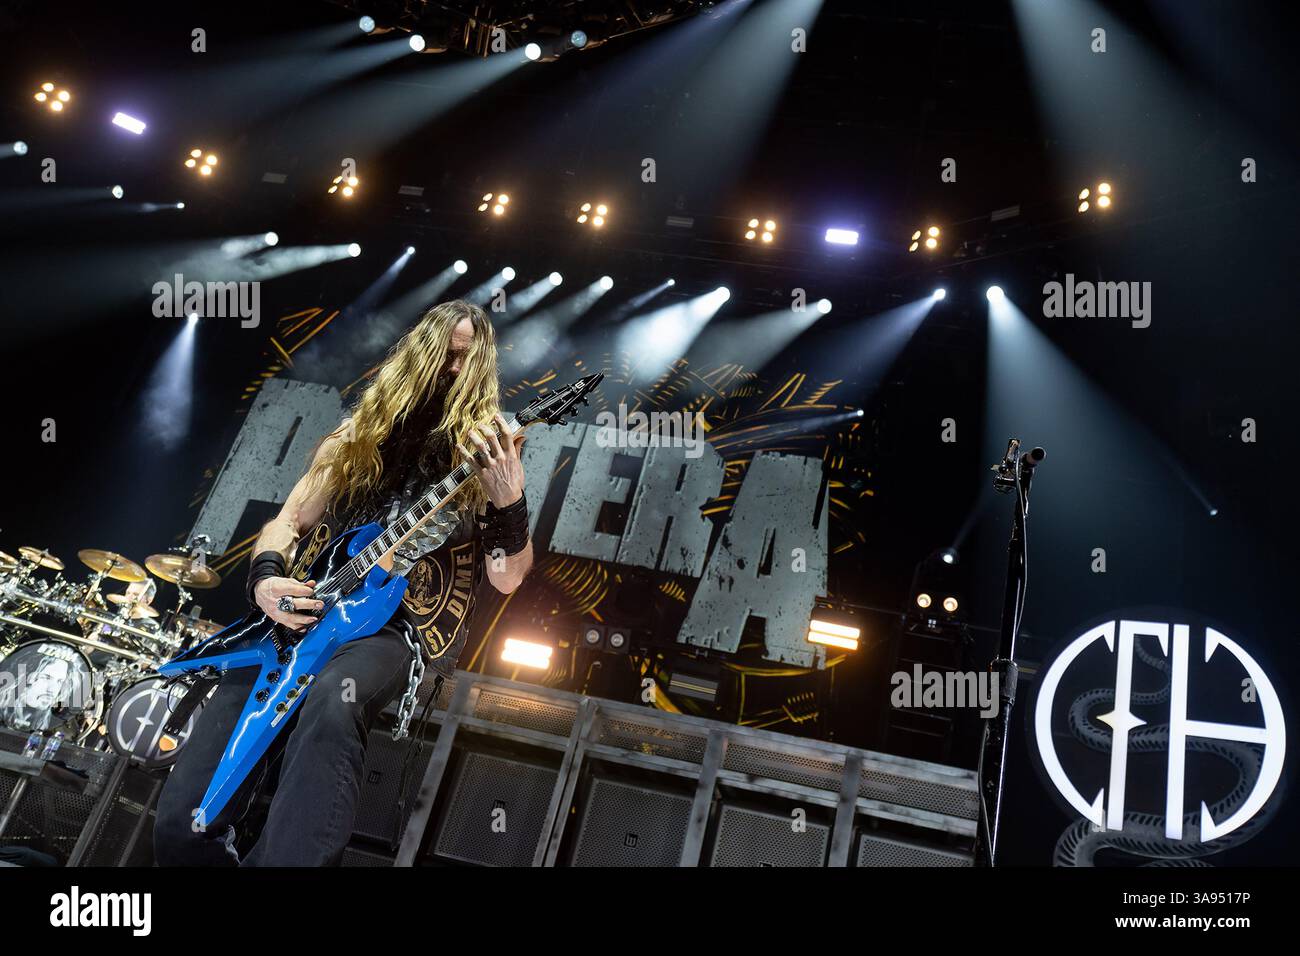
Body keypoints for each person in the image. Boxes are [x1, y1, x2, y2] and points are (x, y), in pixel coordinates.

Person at [154, 299, 533, 865]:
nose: (454, 370)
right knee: (184, 818)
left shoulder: (483, 455)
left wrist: (510, 502)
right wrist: (265, 580)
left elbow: (507, 579)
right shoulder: (353, 437)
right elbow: (287, 521)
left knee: (335, 700)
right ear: (417, 354)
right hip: (297, 618)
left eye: (467, 360)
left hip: (391, 628)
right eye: (445, 355)